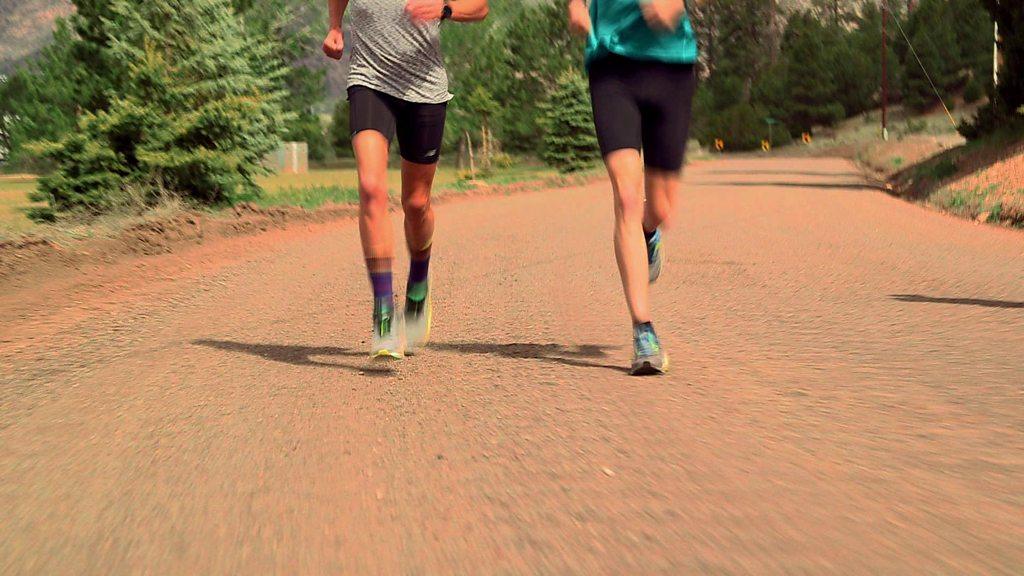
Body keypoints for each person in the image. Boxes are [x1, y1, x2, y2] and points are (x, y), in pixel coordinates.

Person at [323, 0, 489, 359]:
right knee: (370, 189)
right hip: (369, 79)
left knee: (416, 203)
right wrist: (335, 26)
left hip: (424, 87)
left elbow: (480, 7)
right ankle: (384, 312)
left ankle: (419, 282)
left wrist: (445, 9)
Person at [567, 0, 698, 375]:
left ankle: (649, 230)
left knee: (659, 207)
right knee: (626, 196)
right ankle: (643, 330)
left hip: (671, 64)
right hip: (611, 66)